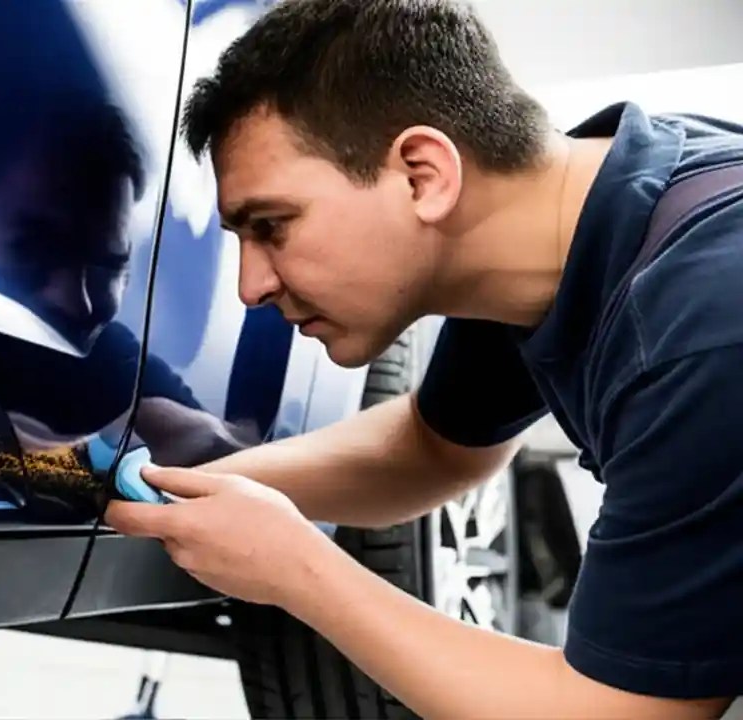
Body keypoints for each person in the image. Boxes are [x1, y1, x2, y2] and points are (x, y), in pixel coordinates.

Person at [104, 0, 743, 717]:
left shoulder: (706, 328)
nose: (253, 286)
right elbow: (434, 451)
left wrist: (299, 570)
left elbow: (624, 714)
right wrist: (186, 482)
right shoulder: (564, 234)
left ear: (423, 174)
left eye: (272, 226)